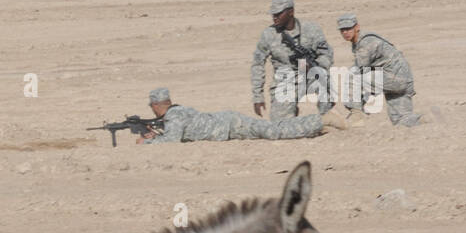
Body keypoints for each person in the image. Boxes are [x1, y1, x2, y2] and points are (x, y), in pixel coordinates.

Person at [138, 87, 345, 143]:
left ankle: (323, 119)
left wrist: (146, 143)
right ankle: (316, 128)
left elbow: (172, 140)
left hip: (231, 124)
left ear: (156, 105)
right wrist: (157, 136)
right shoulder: (177, 111)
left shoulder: (174, 116)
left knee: (273, 131)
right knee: (271, 132)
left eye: (151, 105)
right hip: (229, 128)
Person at [251, 0, 333, 120]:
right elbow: (257, 64)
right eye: (273, 14)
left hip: (309, 77)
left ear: (291, 12)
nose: (275, 17)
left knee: (322, 75)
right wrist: (258, 97)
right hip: (284, 82)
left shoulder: (311, 29)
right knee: (280, 124)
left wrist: (314, 65)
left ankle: (327, 115)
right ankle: (291, 109)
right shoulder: (269, 34)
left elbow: (327, 54)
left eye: (278, 14)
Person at [335, 13, 420, 127]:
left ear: (357, 27)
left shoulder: (365, 43)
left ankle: (356, 116)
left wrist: (359, 102)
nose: (345, 32)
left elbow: (360, 71)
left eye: (348, 28)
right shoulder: (362, 40)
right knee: (402, 120)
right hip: (402, 79)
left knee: (353, 76)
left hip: (393, 78)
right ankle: (426, 119)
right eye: (342, 30)